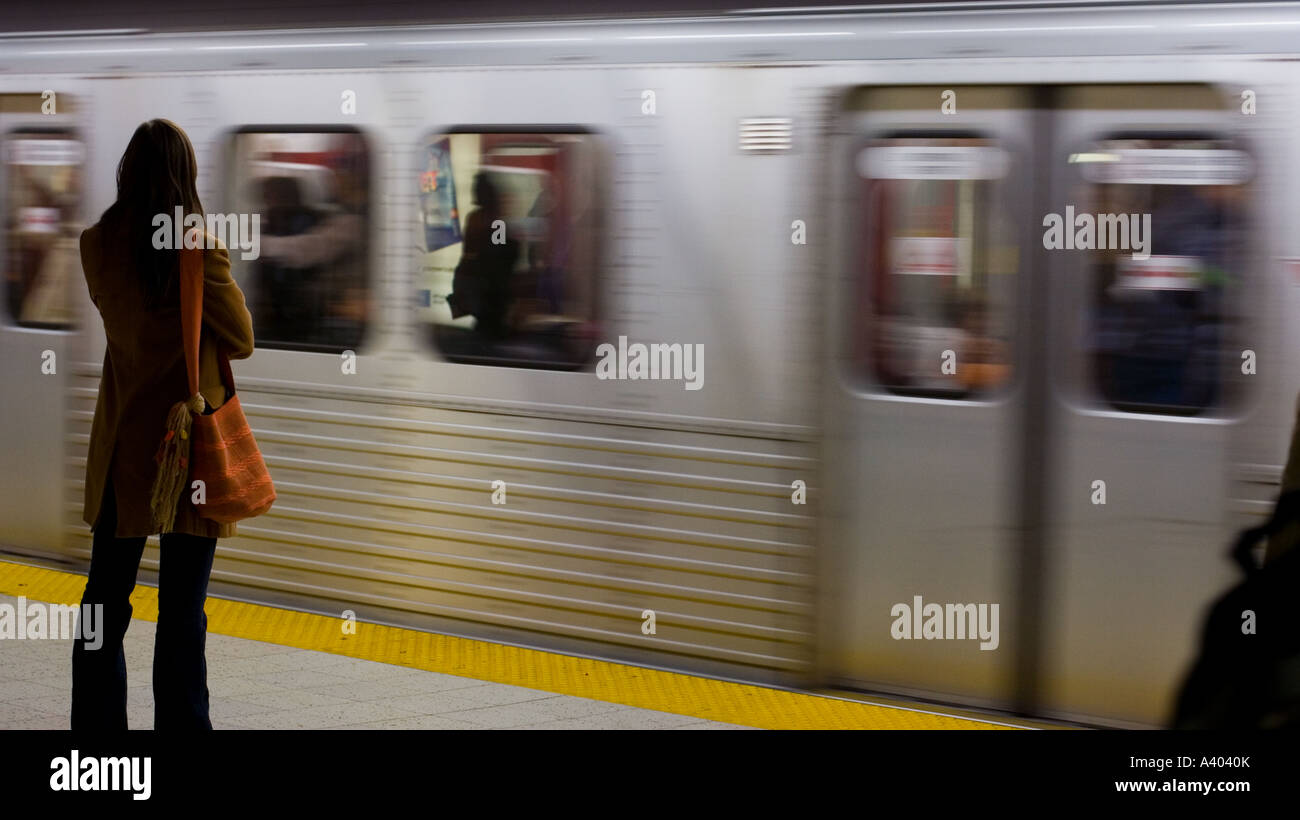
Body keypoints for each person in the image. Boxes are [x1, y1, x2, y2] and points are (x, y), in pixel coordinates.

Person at [73, 119, 254, 731]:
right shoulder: (199, 246)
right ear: (188, 177)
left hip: (125, 448)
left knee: (104, 603)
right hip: (188, 452)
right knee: (182, 612)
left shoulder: (96, 244)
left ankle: (98, 744)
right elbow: (242, 339)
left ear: (127, 173)